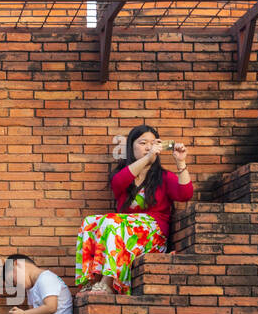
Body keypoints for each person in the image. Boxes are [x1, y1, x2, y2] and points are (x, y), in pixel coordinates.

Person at [75, 124, 193, 294]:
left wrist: (181, 161)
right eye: (143, 143)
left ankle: (108, 282)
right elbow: (117, 183)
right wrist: (147, 158)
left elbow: (185, 194)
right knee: (90, 222)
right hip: (124, 231)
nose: (148, 147)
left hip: (153, 235)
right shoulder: (123, 173)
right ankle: (91, 280)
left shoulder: (163, 176)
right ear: (131, 147)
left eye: (153, 143)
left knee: (113, 222)